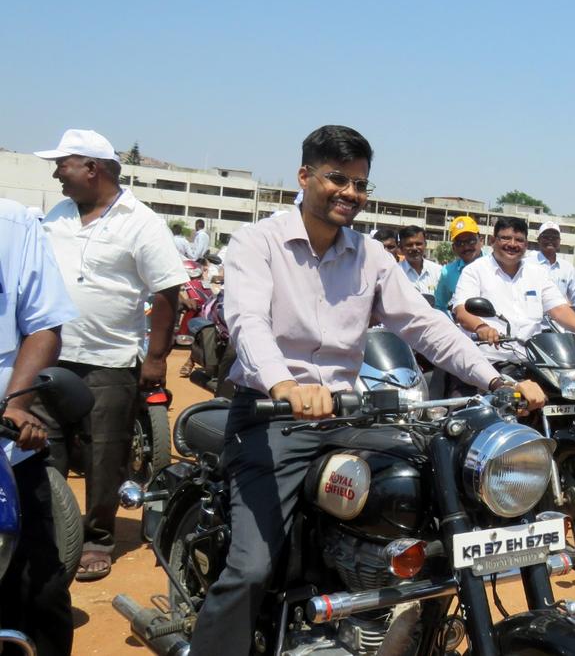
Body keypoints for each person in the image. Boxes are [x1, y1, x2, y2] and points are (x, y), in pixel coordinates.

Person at [187, 125, 546, 654]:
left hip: (348, 421)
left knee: (423, 493)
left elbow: (424, 325)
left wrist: (496, 378)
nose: (349, 193)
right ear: (304, 176)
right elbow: (246, 322)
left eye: (360, 184)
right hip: (273, 418)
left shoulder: (371, 255)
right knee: (251, 567)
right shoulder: (257, 242)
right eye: (338, 178)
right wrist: (284, 383)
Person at [36, 128, 186, 581]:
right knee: (44, 448)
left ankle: (98, 538)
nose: (57, 173)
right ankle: (48, 532)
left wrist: (157, 357)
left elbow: (166, 291)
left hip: (110, 359)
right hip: (49, 354)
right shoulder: (57, 214)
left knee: (104, 454)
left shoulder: (140, 220)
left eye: (63, 164)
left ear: (91, 168)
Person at [0, 199, 78, 656]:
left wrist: (16, 404)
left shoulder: (14, 227)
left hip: (5, 452)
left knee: (40, 593)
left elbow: (44, 325)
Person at [451, 216, 575, 354]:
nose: (512, 244)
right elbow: (462, 310)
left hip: (532, 359)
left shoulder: (537, 273)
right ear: (492, 241)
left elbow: (558, 308)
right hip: (489, 360)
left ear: (526, 245)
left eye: (519, 240)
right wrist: (482, 328)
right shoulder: (474, 271)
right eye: (505, 238)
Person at [527, 222, 575, 313]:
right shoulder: (527, 264)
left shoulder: (567, 268)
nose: (550, 240)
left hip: (560, 324)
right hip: (535, 323)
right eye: (546, 237)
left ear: (559, 241)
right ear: (538, 240)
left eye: (554, 237)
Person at [433, 215, 482, 311]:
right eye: (460, 243)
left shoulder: (496, 265)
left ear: (481, 240)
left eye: (471, 241)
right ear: (453, 248)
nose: (466, 247)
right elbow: (439, 306)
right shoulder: (447, 273)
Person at [396, 225, 442, 296]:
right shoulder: (395, 272)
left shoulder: (438, 271)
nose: (414, 248)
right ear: (401, 248)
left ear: (425, 245)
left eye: (418, 244)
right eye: (409, 245)